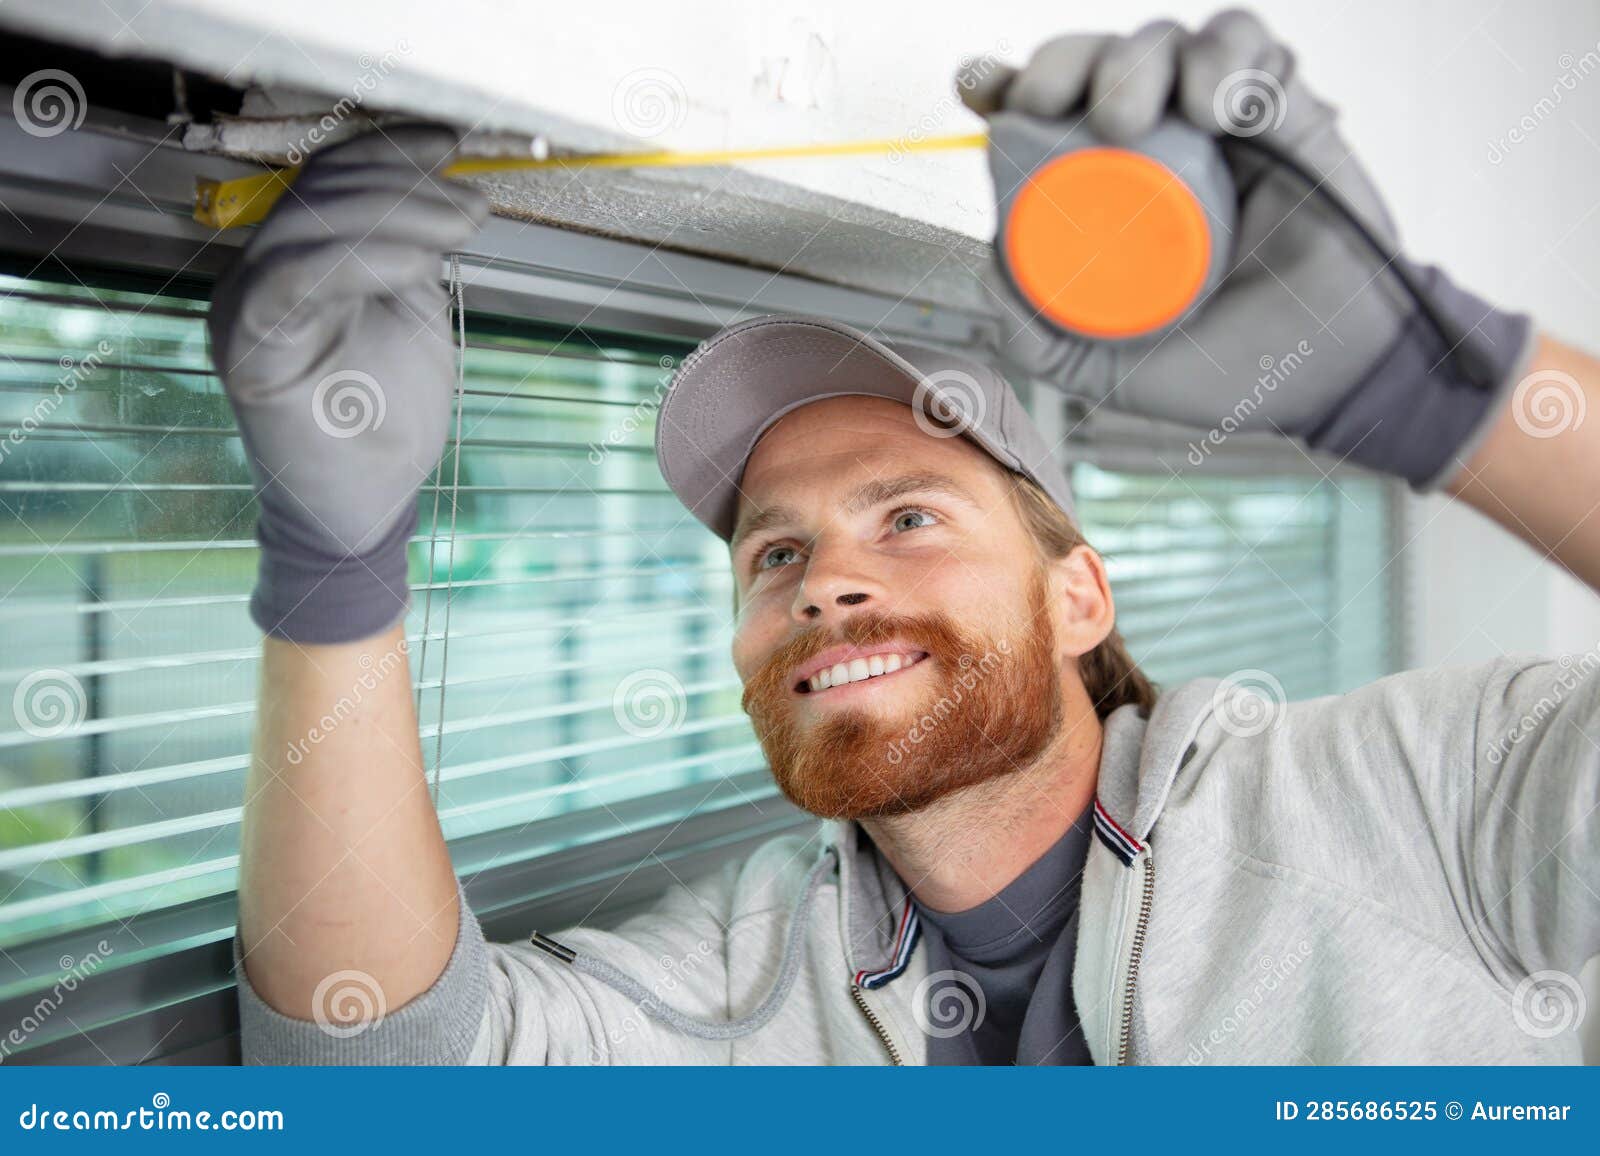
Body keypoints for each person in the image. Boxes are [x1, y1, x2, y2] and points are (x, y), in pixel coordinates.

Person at [210, 9, 1599, 1065]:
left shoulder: (1409, 805)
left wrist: (1434, 389)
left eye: (910, 515)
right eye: (774, 554)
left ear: (1078, 600)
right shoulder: (752, 968)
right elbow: (379, 1079)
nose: (827, 584)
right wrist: (338, 568)